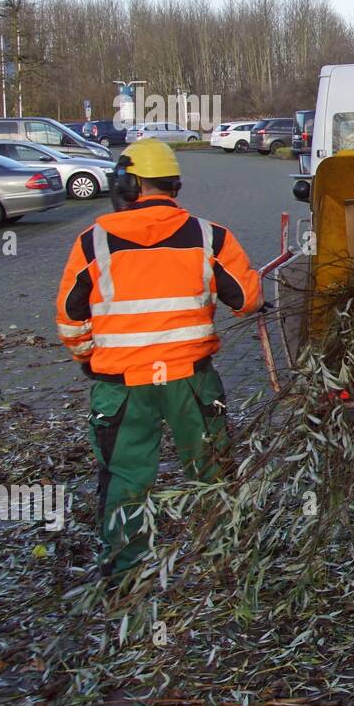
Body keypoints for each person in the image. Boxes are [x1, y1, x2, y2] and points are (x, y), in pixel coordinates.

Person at [55, 138, 262, 576]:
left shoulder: (93, 242)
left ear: (128, 185)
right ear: (174, 185)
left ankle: (127, 574)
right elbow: (246, 300)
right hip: (192, 380)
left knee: (126, 478)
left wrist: (88, 358)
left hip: (122, 387)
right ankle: (223, 556)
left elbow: (71, 319)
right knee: (211, 468)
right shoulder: (210, 237)